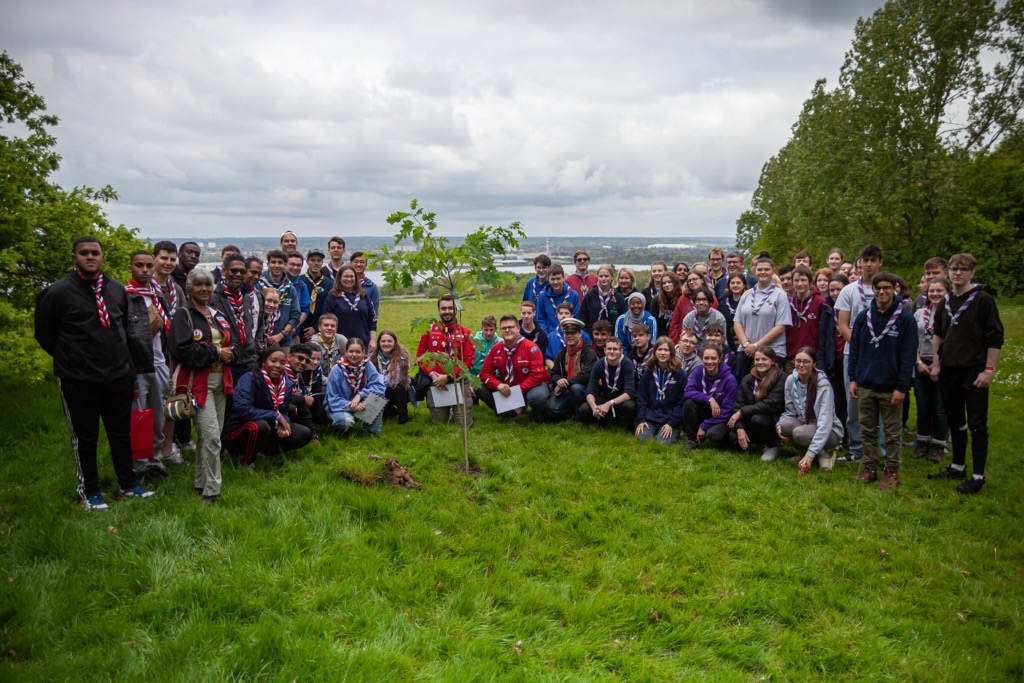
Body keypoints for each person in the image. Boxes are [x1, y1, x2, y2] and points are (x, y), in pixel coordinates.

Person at [35, 236, 155, 510]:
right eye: (84, 253)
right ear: (74, 257)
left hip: (117, 376)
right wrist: (73, 358)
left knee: (120, 433)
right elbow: (45, 335)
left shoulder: (115, 290)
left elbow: (123, 332)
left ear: (102, 257)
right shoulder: (57, 293)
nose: (90, 257)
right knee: (85, 437)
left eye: (95, 253)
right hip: (79, 380)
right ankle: (89, 491)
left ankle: (128, 484)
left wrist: (130, 373)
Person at [927, 253, 1004, 494]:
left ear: (972, 272)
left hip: (974, 371)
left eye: (963, 269)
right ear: (948, 272)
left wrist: (988, 371)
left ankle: (978, 476)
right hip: (949, 371)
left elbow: (995, 337)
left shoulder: (982, 300)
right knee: (955, 422)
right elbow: (938, 333)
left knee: (977, 424)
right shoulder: (946, 301)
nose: (958, 273)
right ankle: (957, 466)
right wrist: (937, 363)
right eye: (953, 269)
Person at [168, 268, 239, 504]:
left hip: (222, 381)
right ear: (189, 288)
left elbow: (235, 342)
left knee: (210, 436)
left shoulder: (217, 314)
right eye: (199, 285)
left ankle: (200, 482)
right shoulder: (183, 315)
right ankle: (212, 491)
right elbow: (182, 350)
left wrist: (231, 354)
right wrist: (216, 352)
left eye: (208, 285)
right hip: (198, 384)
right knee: (211, 438)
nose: (204, 289)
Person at [849, 272, 918, 490]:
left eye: (886, 288)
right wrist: (853, 378)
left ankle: (891, 471)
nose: (881, 292)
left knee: (892, 432)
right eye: (878, 288)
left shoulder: (904, 318)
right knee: (867, 429)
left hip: (891, 387)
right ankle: (869, 467)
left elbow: (908, 356)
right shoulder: (864, 316)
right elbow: (856, 349)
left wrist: (902, 386)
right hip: (866, 383)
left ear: (894, 289)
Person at [124, 250, 175, 475]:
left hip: (160, 362)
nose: (144, 270)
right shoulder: (125, 297)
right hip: (139, 366)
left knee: (158, 415)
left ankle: (154, 459)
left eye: (148, 266)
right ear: (130, 268)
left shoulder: (156, 295)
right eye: (139, 266)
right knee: (139, 417)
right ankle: (138, 464)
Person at [224, 346, 313, 466]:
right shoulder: (250, 377)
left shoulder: (286, 382)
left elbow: (284, 410)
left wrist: (283, 424)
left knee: (304, 433)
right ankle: (246, 462)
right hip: (239, 428)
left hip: (270, 425)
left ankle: (265, 452)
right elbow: (243, 410)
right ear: (264, 362)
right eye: (273, 361)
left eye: (282, 363)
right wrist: (275, 416)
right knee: (260, 426)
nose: (277, 365)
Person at [835, 244, 883, 462]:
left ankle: (879, 450)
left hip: (883, 355)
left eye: (874, 260)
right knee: (854, 403)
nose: (869, 264)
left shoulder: (885, 288)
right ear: (859, 263)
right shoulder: (849, 291)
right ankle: (856, 449)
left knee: (881, 402)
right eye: (866, 260)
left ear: (880, 262)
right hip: (853, 354)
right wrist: (860, 347)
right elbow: (843, 324)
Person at [709, 346, 785, 458]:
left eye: (764, 359)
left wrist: (741, 412)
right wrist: (740, 427)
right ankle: (759, 443)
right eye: (757, 359)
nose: (760, 362)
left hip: (773, 420)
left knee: (758, 419)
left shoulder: (781, 378)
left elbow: (772, 404)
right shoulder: (748, 379)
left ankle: (772, 446)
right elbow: (738, 405)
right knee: (733, 437)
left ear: (773, 361)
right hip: (750, 419)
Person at [777, 347, 843, 473]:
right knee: (785, 425)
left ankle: (825, 454)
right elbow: (790, 411)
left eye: (806, 362)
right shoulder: (791, 380)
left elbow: (825, 423)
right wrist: (778, 425)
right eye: (798, 361)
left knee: (799, 433)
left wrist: (811, 453)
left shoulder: (823, 384)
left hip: (829, 431)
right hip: (806, 424)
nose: (801, 365)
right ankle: (803, 455)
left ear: (814, 364)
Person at [417, 295, 476, 426]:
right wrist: (433, 375)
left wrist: (449, 376)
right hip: (437, 382)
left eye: (450, 308)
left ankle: (460, 407)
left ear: (456, 309)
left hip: (459, 380)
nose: (447, 311)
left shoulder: (465, 332)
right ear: (438, 310)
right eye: (443, 308)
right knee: (439, 423)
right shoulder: (429, 330)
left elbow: (469, 361)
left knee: (463, 424)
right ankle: (447, 410)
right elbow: (420, 356)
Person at [476, 315, 549, 420]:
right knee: (477, 386)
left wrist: (517, 391)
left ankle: (535, 413)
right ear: (500, 330)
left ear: (518, 328)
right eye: (504, 328)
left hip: (529, 387)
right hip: (506, 388)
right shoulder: (495, 349)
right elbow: (485, 373)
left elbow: (536, 376)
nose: (507, 330)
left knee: (537, 397)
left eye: (511, 327)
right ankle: (508, 412)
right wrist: (498, 385)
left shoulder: (531, 348)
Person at [733, 257, 791, 380]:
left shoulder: (781, 295)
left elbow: (780, 327)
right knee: (744, 388)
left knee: (768, 390)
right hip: (746, 351)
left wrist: (757, 346)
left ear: (773, 271)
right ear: (754, 271)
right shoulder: (747, 294)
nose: (763, 272)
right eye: (759, 269)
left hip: (772, 352)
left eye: (767, 269)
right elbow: (737, 322)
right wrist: (746, 344)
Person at [913, 277, 949, 463]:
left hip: (943, 365)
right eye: (931, 291)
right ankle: (922, 443)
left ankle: (938, 446)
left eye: (939, 291)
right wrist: (918, 362)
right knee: (923, 407)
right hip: (921, 363)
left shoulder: (951, 313)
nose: (934, 294)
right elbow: (910, 340)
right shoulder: (919, 313)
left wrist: (938, 365)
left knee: (940, 408)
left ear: (946, 293)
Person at [681, 344, 737, 451]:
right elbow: (688, 391)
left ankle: (722, 437)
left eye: (713, 358)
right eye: (706, 358)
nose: (709, 361)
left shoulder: (730, 380)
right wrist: (709, 399)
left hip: (720, 416)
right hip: (705, 409)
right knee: (689, 404)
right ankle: (692, 440)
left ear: (720, 359)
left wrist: (704, 426)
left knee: (714, 436)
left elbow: (727, 411)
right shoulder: (698, 371)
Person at [212, 253, 258, 383]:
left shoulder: (246, 296)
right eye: (234, 270)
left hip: (247, 360)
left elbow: (253, 326)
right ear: (224, 271)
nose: (238, 274)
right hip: (227, 360)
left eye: (242, 272)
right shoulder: (213, 298)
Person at [326, 337, 387, 434]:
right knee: (345, 422)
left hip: (361, 403)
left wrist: (360, 396)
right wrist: (353, 405)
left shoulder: (368, 365)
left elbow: (379, 386)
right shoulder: (337, 370)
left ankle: (370, 431)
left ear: (363, 353)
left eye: (358, 352)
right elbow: (333, 398)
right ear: (346, 352)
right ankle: (336, 428)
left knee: (377, 399)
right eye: (351, 351)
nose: (354, 355)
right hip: (340, 406)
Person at [635, 336, 686, 445]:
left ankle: (677, 431)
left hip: (670, 418)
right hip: (651, 417)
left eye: (666, 350)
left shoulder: (679, 374)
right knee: (642, 439)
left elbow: (681, 402)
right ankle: (653, 430)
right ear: (655, 352)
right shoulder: (648, 372)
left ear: (671, 352)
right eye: (660, 349)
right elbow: (641, 398)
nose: (663, 353)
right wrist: (641, 420)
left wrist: (672, 423)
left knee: (662, 443)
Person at [544, 318, 597, 422]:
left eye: (573, 333)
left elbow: (586, 375)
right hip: (566, 390)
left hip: (584, 390)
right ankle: (570, 412)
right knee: (551, 410)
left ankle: (579, 417)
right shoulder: (562, 352)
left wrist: (565, 383)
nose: (569, 336)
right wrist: (558, 380)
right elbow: (554, 372)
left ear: (580, 334)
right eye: (567, 333)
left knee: (576, 388)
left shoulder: (589, 352)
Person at [577, 337, 637, 429]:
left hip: (620, 401)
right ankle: (601, 418)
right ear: (605, 350)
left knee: (630, 406)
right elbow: (590, 390)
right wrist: (594, 407)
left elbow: (629, 393)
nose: (612, 352)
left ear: (621, 351)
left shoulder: (627, 363)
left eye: (615, 349)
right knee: (584, 409)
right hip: (605, 398)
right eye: (609, 349)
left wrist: (609, 404)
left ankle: (626, 424)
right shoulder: (599, 364)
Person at [785, 265, 831, 373]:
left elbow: (825, 333)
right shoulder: (787, 303)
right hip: (791, 357)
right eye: (796, 280)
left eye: (803, 280)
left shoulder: (820, 302)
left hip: (812, 358)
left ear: (810, 282)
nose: (799, 284)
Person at [321, 265, 377, 351]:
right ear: (340, 278)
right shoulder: (332, 296)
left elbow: (372, 319)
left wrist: (372, 340)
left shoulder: (363, 295)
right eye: (346, 276)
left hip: (363, 344)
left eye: (352, 276)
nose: (349, 279)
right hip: (340, 344)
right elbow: (325, 320)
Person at [256, 250, 301, 349]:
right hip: (258, 340)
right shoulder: (258, 285)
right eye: (273, 262)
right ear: (267, 264)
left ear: (285, 265)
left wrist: (281, 335)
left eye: (280, 262)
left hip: (283, 341)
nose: (276, 265)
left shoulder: (290, 288)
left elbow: (296, 315)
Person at [371, 330, 412, 424]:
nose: (386, 343)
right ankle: (390, 412)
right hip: (381, 388)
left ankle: (403, 419)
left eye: (389, 341)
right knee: (373, 391)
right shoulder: (373, 358)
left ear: (395, 343)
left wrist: (378, 382)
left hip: (400, 389)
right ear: (379, 343)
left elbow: (395, 379)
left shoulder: (402, 356)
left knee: (398, 387)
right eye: (383, 341)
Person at [580, 264, 626, 335]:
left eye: (606, 276)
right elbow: (583, 318)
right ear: (597, 277)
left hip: (612, 339)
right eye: (601, 276)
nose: (603, 279)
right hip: (593, 339)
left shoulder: (618, 297)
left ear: (612, 277)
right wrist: (588, 336)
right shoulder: (590, 296)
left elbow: (622, 320)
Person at [300, 248, 334, 340]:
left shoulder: (330, 284)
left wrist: (316, 328)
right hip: (300, 329)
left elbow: (330, 309)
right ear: (307, 262)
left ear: (322, 263)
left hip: (321, 330)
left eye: (319, 261)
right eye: (312, 260)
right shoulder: (300, 281)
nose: (316, 263)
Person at [545, 302, 592, 368]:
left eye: (566, 313)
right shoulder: (551, 336)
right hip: (557, 371)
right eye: (561, 313)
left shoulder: (583, 335)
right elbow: (547, 358)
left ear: (572, 315)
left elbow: (590, 357)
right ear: (557, 315)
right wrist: (556, 372)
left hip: (579, 371)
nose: (563, 316)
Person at [536, 265, 581, 335]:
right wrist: (547, 334)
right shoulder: (543, 296)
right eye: (552, 279)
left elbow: (575, 317)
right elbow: (540, 319)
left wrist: (568, 332)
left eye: (558, 278)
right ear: (548, 279)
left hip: (569, 333)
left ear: (563, 278)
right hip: (549, 334)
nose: (555, 282)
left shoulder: (573, 295)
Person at [284, 251, 312, 340]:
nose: (295, 267)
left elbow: (305, 310)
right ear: (285, 265)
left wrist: (293, 326)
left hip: (293, 335)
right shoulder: (276, 283)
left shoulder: (301, 285)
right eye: (292, 264)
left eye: (299, 265)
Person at [718, 274, 746, 351]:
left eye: (738, 283)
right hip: (728, 344)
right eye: (732, 283)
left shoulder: (749, 303)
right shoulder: (722, 305)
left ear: (744, 285)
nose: (735, 285)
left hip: (745, 343)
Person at [349, 252, 380, 318]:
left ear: (366, 265)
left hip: (364, 326)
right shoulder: (343, 285)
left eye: (362, 262)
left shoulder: (372, 287)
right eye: (356, 262)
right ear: (350, 264)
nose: (358, 264)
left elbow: (374, 312)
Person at [653, 271, 681, 339]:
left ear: (675, 282)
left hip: (676, 337)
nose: (667, 285)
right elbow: (654, 322)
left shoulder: (681, 299)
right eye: (664, 283)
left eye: (669, 282)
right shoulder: (657, 300)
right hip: (660, 337)